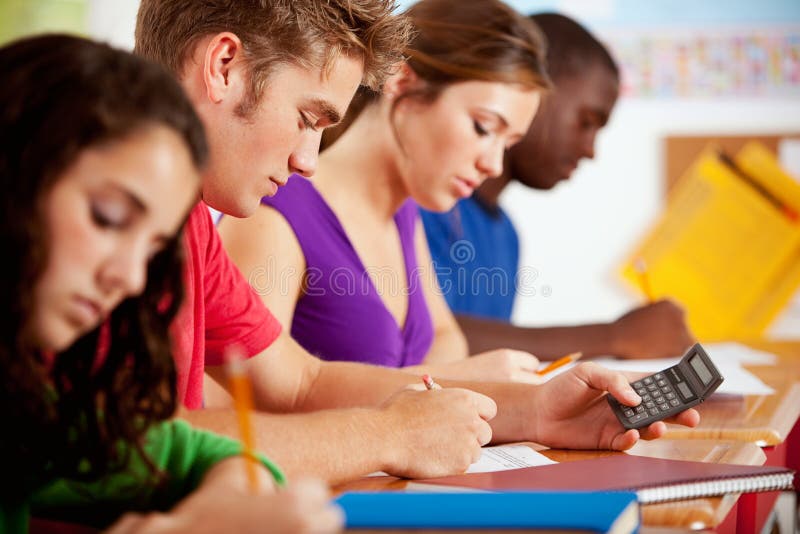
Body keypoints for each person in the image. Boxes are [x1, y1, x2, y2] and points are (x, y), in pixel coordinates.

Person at [135, 0, 700, 486]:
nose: (309, 161)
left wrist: (538, 411)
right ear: (224, 65)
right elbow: (142, 441)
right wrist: (386, 434)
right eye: (307, 118)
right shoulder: (120, 222)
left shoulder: (192, 226)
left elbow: (301, 382)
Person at [0, 34, 341, 534]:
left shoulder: (29, 402)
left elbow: (190, 450)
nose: (129, 278)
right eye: (107, 217)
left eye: (153, 250)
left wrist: (225, 495)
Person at [220, 0, 548, 383]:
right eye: (483, 127)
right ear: (402, 82)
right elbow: (238, 403)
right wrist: (450, 381)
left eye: (508, 144)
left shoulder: (403, 213)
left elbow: (447, 338)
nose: (493, 165)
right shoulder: (273, 215)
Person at [421, 13, 696, 360]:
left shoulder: (506, 235)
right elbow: (422, 336)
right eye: (586, 122)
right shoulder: (426, 204)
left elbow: (487, 367)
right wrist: (613, 337)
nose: (590, 150)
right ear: (530, 89)